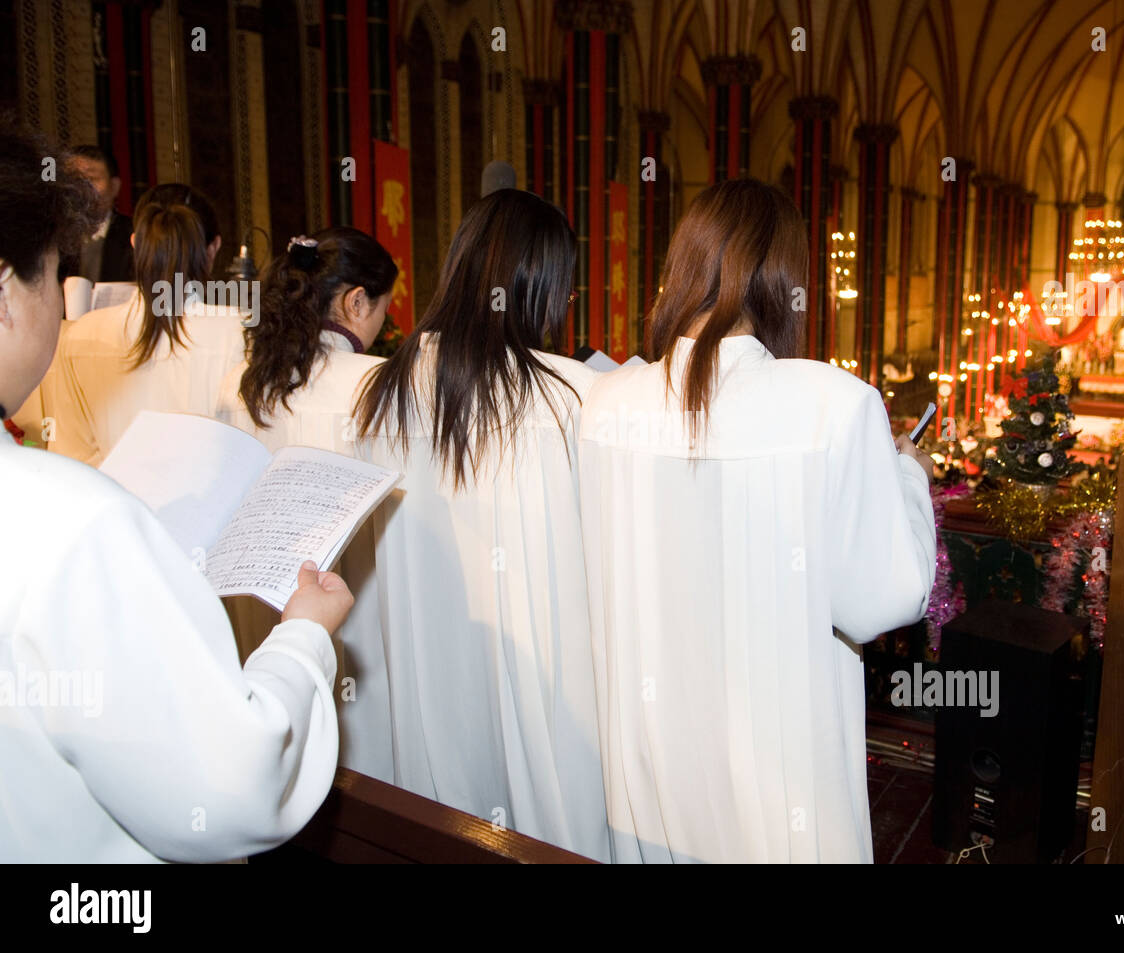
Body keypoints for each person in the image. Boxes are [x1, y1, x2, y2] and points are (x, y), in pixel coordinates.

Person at [0, 121, 353, 862]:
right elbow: (230, 785)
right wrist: (304, 637)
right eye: (51, 271)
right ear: (5, 290)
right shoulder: (68, 527)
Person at [577, 179, 937, 863]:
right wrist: (908, 474)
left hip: (650, 767)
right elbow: (887, 597)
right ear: (784, 281)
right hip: (777, 787)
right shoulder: (835, 404)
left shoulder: (607, 401)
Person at [353, 188, 610, 861]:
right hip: (546, 697)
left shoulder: (385, 390)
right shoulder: (573, 397)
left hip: (426, 684)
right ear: (541, 288)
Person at [216, 227, 396, 782]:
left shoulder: (239, 384)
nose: (384, 327)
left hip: (256, 619)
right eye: (382, 311)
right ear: (356, 301)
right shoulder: (377, 385)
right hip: (351, 606)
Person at [46, 182, 246, 465]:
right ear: (214, 248)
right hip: (214, 506)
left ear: (135, 243)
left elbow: (71, 458)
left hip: (116, 503)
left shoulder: (80, 335)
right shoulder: (241, 332)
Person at [64, 144, 134, 283]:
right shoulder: (55, 237)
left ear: (114, 187)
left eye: (91, 179)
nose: (81, 188)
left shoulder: (133, 235)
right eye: (74, 179)